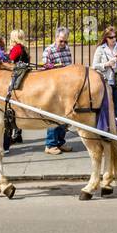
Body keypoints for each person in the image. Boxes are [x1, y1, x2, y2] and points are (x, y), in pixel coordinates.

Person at [42, 27, 73, 155]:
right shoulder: (48, 51)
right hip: (53, 89)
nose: (64, 44)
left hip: (65, 87)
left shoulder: (66, 49)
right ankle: (50, 144)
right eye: (61, 41)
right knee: (54, 116)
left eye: (65, 42)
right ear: (55, 38)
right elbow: (44, 70)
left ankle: (60, 141)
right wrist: (56, 68)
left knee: (65, 117)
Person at [92, 25, 117, 124]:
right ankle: (106, 128)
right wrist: (106, 64)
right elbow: (94, 65)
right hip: (106, 81)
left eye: (115, 36)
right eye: (111, 37)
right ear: (106, 38)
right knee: (106, 107)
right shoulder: (100, 49)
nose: (114, 39)